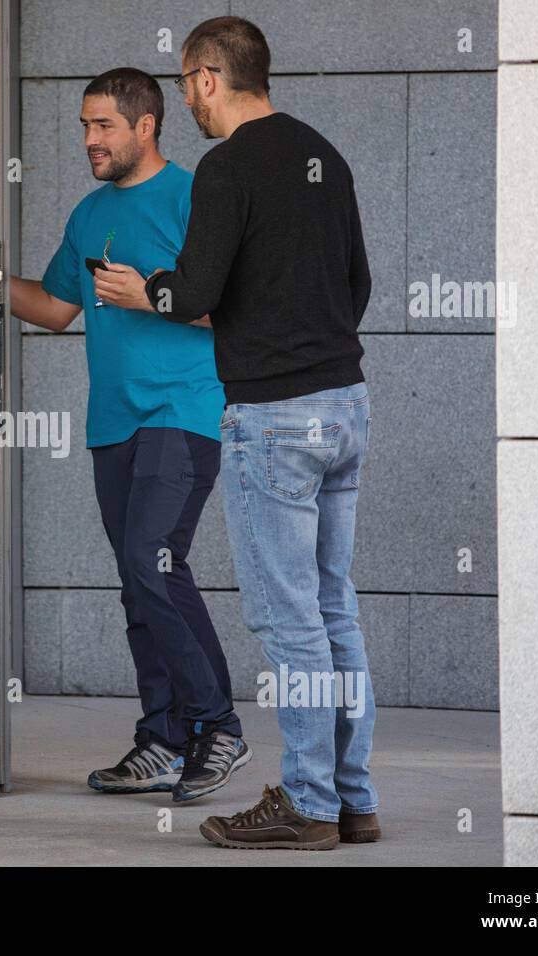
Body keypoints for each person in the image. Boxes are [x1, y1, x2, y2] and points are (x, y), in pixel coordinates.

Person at [95, 16, 379, 850]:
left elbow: (194, 293)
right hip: (345, 404)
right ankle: (352, 800)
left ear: (210, 78)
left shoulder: (227, 166)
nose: (187, 100)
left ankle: (309, 805)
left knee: (291, 622)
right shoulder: (325, 154)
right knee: (334, 609)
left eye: (186, 83)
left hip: (274, 417)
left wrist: (143, 290)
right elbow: (358, 285)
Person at [10, 68, 249, 803]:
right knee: (137, 585)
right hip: (113, 422)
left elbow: (236, 306)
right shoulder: (88, 214)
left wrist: (150, 294)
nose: (89, 139)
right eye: (84, 125)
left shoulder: (193, 197)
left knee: (154, 561)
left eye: (103, 125)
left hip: (183, 411)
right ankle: (164, 739)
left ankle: (218, 727)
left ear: (146, 125)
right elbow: (56, 308)